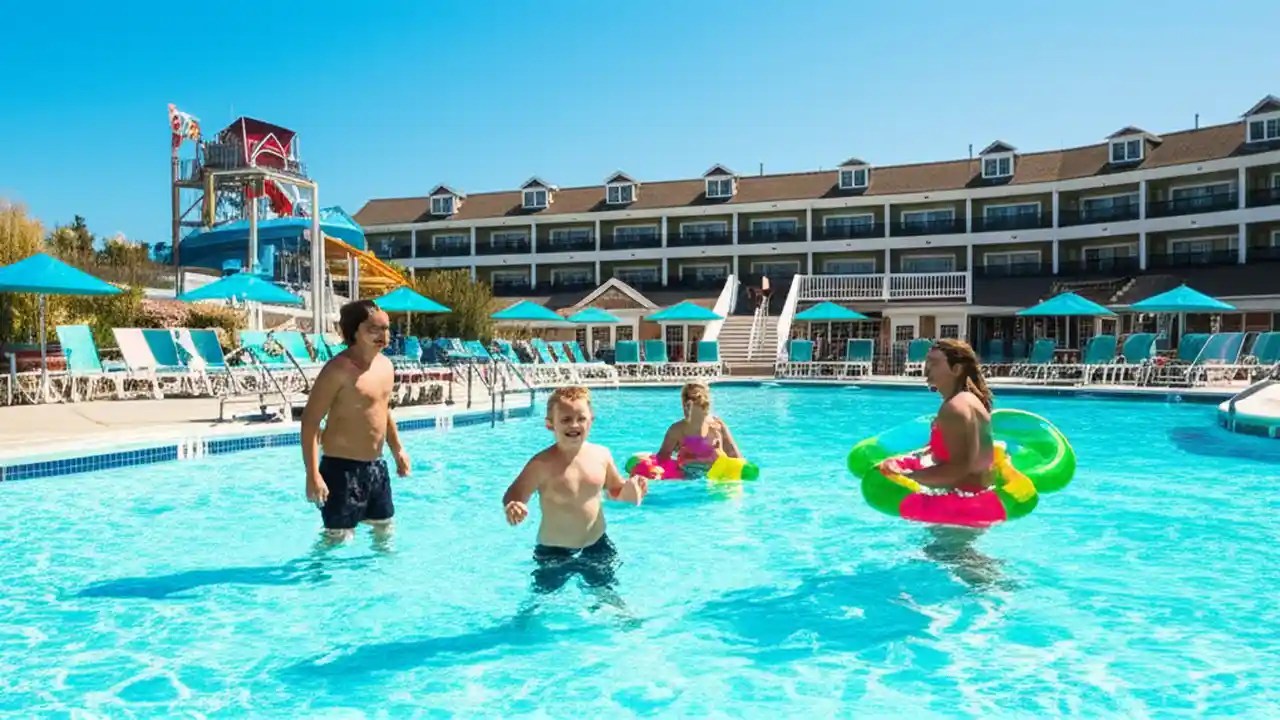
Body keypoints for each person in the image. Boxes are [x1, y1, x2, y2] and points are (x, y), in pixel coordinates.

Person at [502, 386, 647, 603]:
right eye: (566, 419)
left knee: (608, 594)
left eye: (581, 418)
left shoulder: (602, 455)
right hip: (554, 552)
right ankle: (523, 624)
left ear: (591, 420)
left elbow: (615, 490)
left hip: (597, 544)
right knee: (540, 600)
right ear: (550, 424)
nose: (574, 424)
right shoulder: (541, 464)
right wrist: (514, 505)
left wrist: (632, 490)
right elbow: (515, 493)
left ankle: (623, 623)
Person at [301, 300, 411, 544]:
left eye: (386, 328)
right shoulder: (338, 370)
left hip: (376, 468)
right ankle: (319, 578)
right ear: (354, 332)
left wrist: (398, 450)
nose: (383, 335)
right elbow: (310, 422)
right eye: (374, 329)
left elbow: (383, 410)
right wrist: (313, 475)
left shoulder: (386, 366)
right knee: (338, 539)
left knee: (385, 532)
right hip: (340, 469)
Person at [879, 338, 994, 492]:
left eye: (934, 363)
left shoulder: (955, 408)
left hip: (961, 503)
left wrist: (905, 477)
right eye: (927, 362)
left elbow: (959, 470)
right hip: (978, 494)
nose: (926, 368)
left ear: (956, 369)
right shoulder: (969, 400)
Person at [656, 382, 742, 465]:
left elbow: (736, 457)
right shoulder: (677, 430)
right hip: (695, 476)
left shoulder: (717, 426)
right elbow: (661, 460)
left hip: (706, 476)